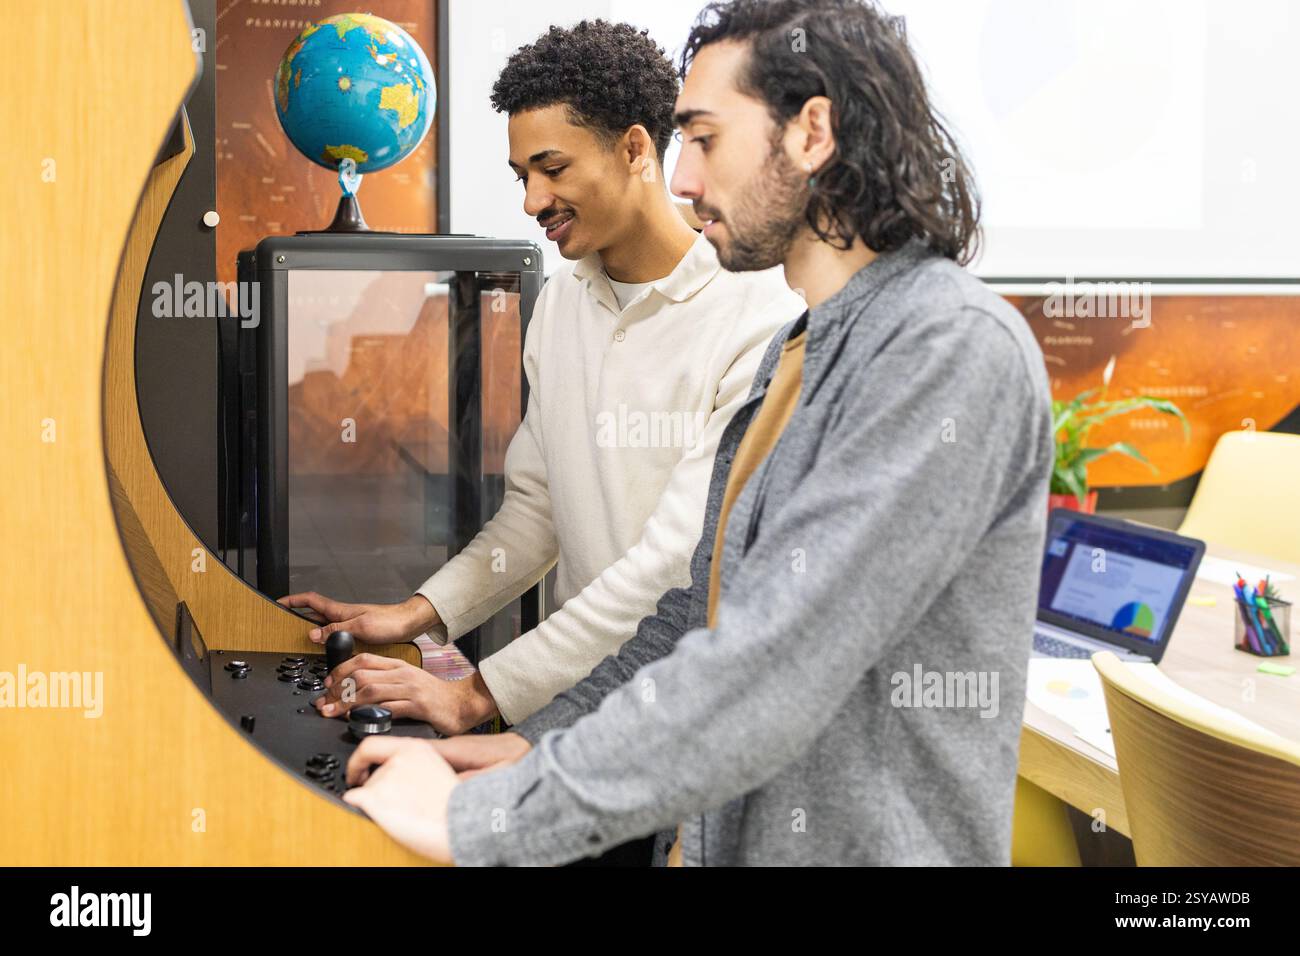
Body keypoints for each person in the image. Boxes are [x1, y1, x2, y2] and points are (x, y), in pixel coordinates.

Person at [341, 0, 1054, 866]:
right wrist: (534, 743)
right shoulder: (800, 351)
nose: (682, 180)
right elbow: (697, 612)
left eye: (706, 140)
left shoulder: (946, 348)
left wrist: (478, 820)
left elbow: (773, 666)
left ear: (811, 134)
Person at [280, 21, 804, 737]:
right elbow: (537, 511)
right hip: (573, 713)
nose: (532, 202)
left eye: (552, 170)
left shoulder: (759, 315)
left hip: (690, 724)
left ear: (635, 150)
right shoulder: (561, 299)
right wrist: (420, 613)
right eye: (521, 175)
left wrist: (478, 694)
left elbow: (671, 567)